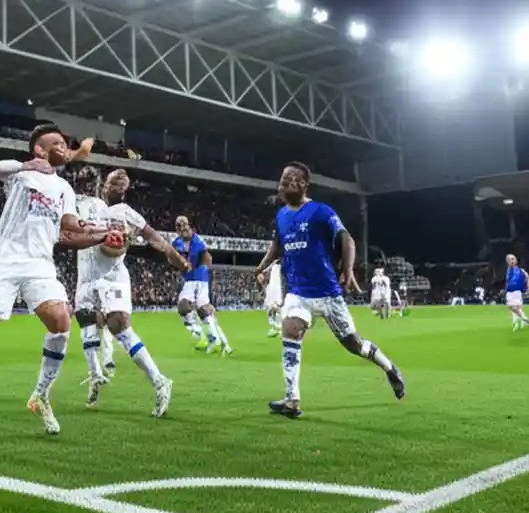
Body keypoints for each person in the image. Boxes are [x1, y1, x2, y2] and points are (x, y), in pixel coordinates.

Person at [0, 125, 110, 442]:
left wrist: (104, 235)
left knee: (61, 323)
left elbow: (70, 233)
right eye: (56, 143)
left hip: (40, 265)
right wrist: (65, 156)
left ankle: (40, 396)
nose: (63, 146)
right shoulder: (20, 175)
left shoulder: (64, 188)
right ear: (39, 149)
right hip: (5, 261)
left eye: (65, 142)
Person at [254, 162, 405, 418]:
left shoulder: (321, 211)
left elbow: (346, 238)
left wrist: (348, 269)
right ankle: (292, 400)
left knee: (354, 345)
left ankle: (390, 368)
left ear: (303, 183)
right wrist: (261, 266)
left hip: (327, 293)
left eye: (289, 178)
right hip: (298, 293)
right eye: (281, 179)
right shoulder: (281, 215)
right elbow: (277, 245)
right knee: (289, 330)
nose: (283, 183)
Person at [74, 169, 189, 414]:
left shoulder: (126, 213)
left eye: (122, 184)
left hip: (113, 277)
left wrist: (178, 260)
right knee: (86, 320)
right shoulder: (79, 205)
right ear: (103, 184)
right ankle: (95, 375)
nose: (117, 185)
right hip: (86, 275)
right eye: (114, 181)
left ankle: (160, 382)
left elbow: (155, 238)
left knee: (119, 326)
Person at [173, 216, 233, 355]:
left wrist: (190, 266)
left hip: (199, 278)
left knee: (183, 306)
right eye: (179, 225)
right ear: (176, 229)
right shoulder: (176, 243)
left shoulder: (197, 240)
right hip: (190, 279)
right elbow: (173, 258)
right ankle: (220, 342)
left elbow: (205, 260)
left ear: (189, 226)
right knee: (204, 311)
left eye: (185, 224)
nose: (183, 227)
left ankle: (200, 333)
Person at [504, 254, 529, 331]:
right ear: (507, 262)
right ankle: (523, 321)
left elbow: (527, 277)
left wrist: (528, 287)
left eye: (513, 259)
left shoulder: (520, 270)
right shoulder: (509, 270)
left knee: (514, 307)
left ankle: (521, 320)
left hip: (517, 290)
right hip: (509, 291)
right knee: (514, 307)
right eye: (510, 260)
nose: (512, 261)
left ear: (516, 260)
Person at [263, 260, 284, 337]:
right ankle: (275, 328)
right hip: (273, 287)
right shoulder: (275, 267)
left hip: (276, 288)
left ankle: (280, 329)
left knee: (276, 308)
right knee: (270, 309)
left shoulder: (279, 266)